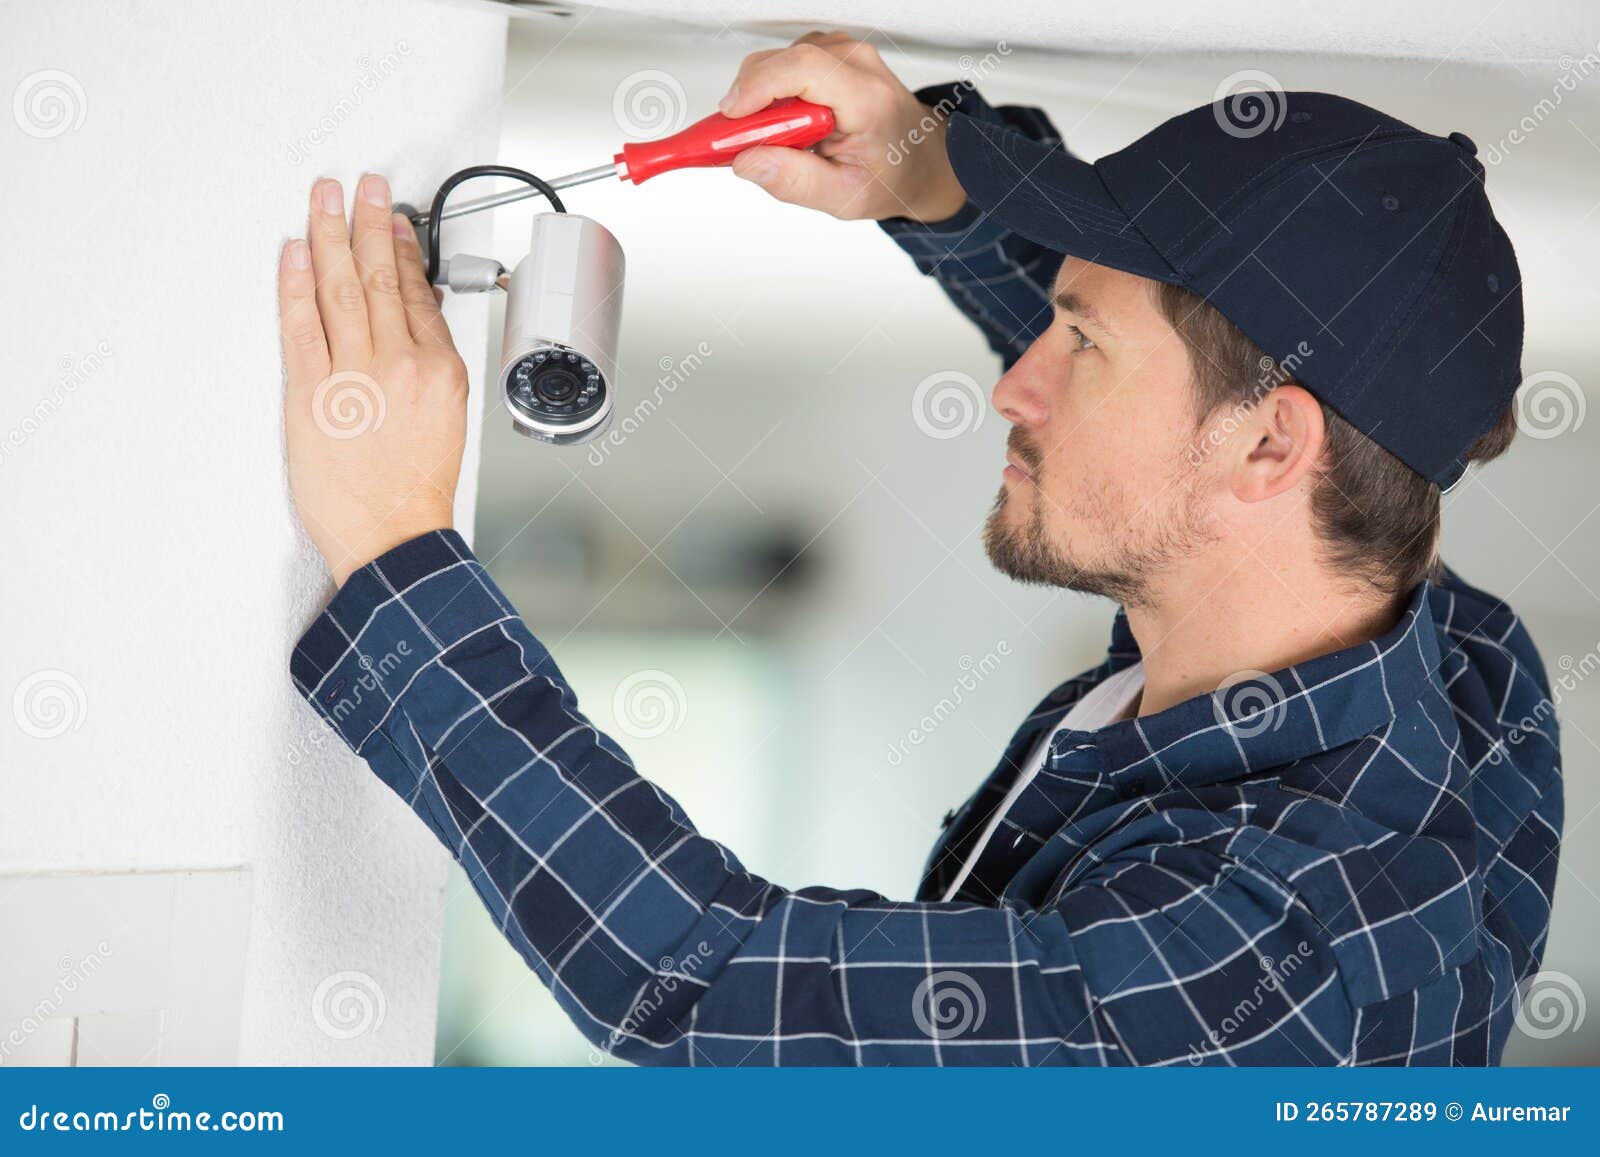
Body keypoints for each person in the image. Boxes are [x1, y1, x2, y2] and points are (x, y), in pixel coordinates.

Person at [276, 32, 1562, 1065]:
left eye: (1081, 343)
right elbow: (1187, 427)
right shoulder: (1460, 679)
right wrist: (924, 168)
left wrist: (398, 548)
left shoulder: (1264, 978)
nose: (1017, 384)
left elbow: (712, 983)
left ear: (1271, 451)